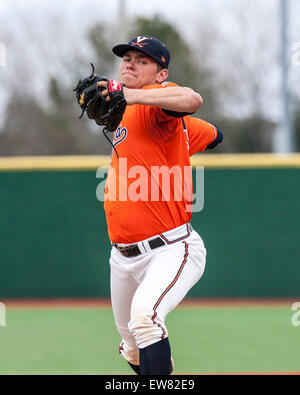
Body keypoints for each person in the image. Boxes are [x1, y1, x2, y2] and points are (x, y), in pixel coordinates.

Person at [97, 36, 223, 375]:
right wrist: (185, 140)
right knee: (131, 347)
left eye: (142, 60)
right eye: (126, 58)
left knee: (146, 318)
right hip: (122, 257)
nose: (129, 64)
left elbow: (192, 99)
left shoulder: (158, 109)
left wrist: (134, 96)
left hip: (170, 248)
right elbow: (214, 134)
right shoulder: (127, 114)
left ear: (161, 75)